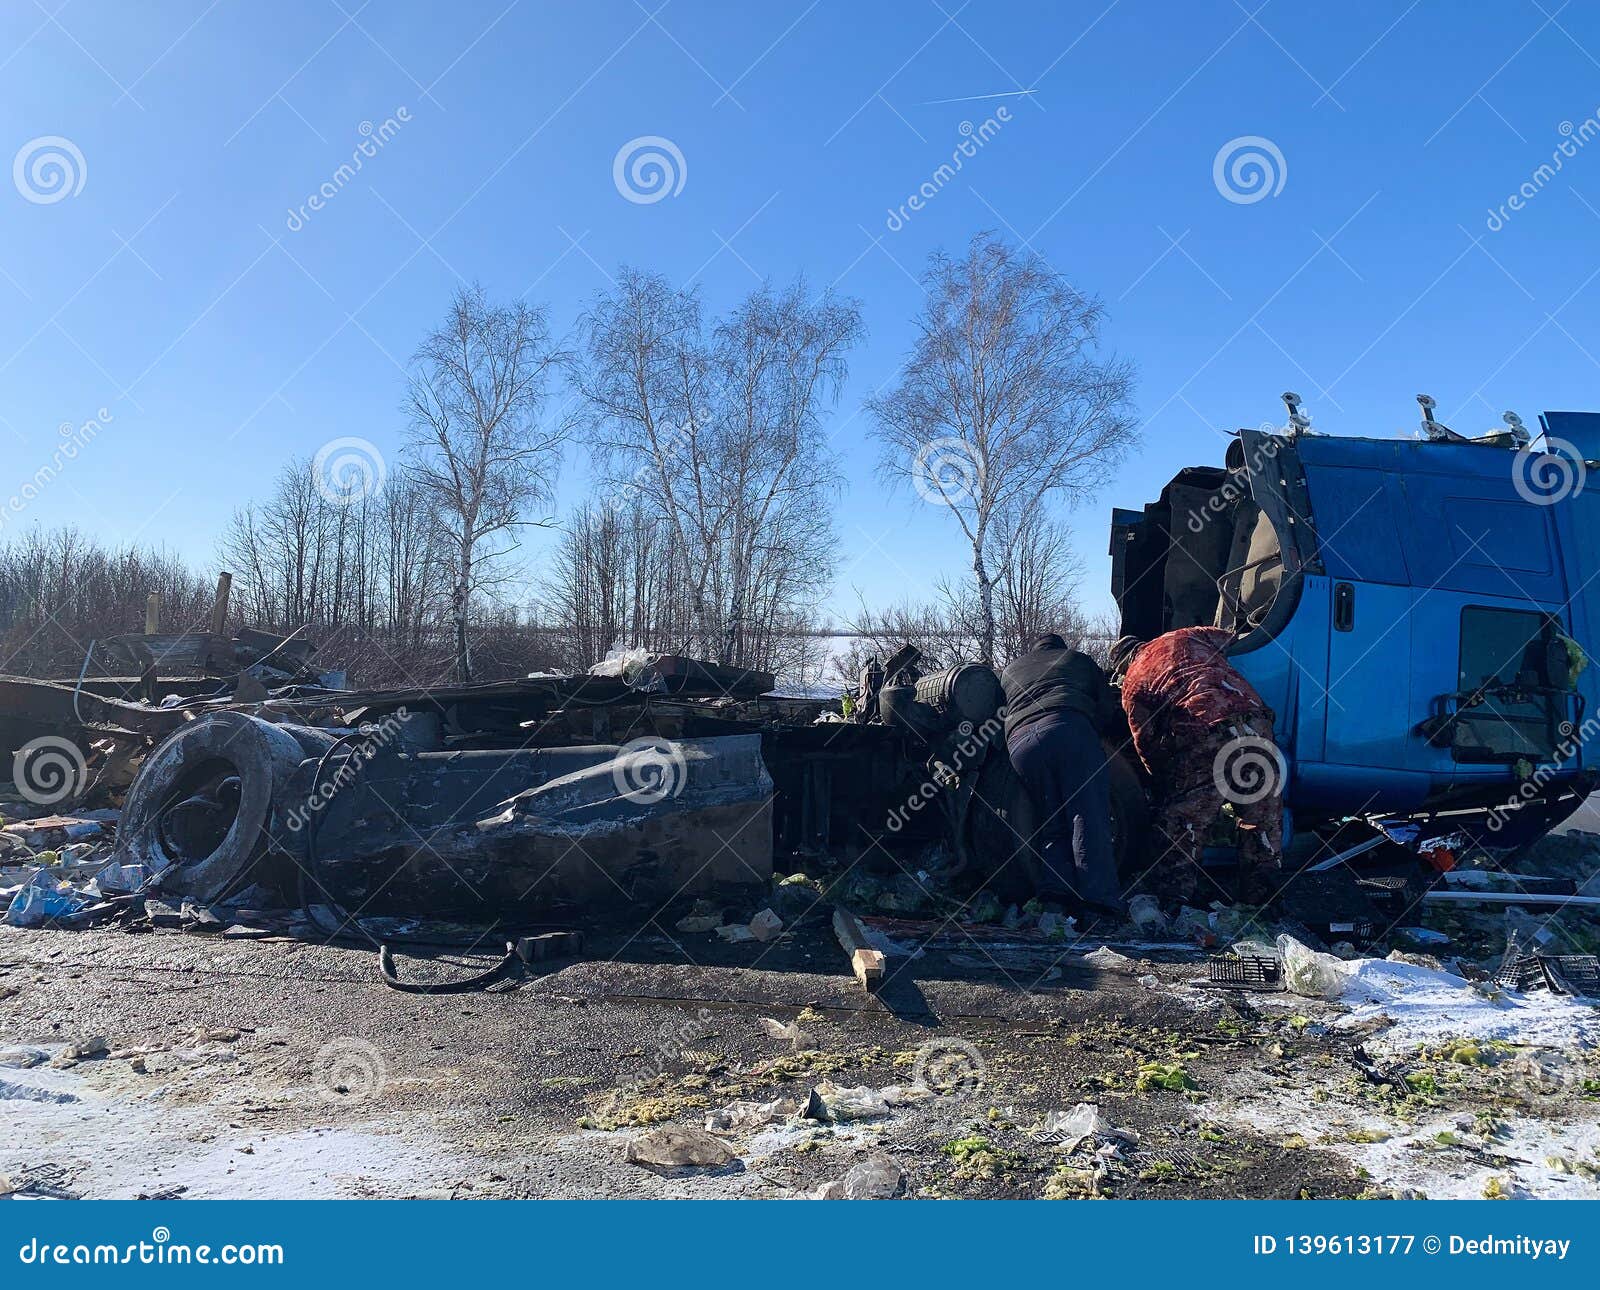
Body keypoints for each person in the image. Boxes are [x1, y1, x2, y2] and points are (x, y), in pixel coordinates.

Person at [1113, 628, 1283, 907]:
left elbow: (1145, 740)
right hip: (1256, 722)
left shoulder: (1132, 681)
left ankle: (1175, 902)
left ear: (1123, 664)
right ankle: (1264, 903)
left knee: (1183, 821)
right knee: (1261, 820)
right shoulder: (1184, 635)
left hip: (1208, 732)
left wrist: (1161, 780)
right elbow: (1231, 638)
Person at [999, 634, 1126, 917]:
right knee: (1087, 815)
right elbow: (1105, 706)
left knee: (1051, 821)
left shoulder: (1010, 669)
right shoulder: (1076, 659)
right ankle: (1099, 903)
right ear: (1060, 647)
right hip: (1067, 727)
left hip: (1020, 744)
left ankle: (1056, 898)